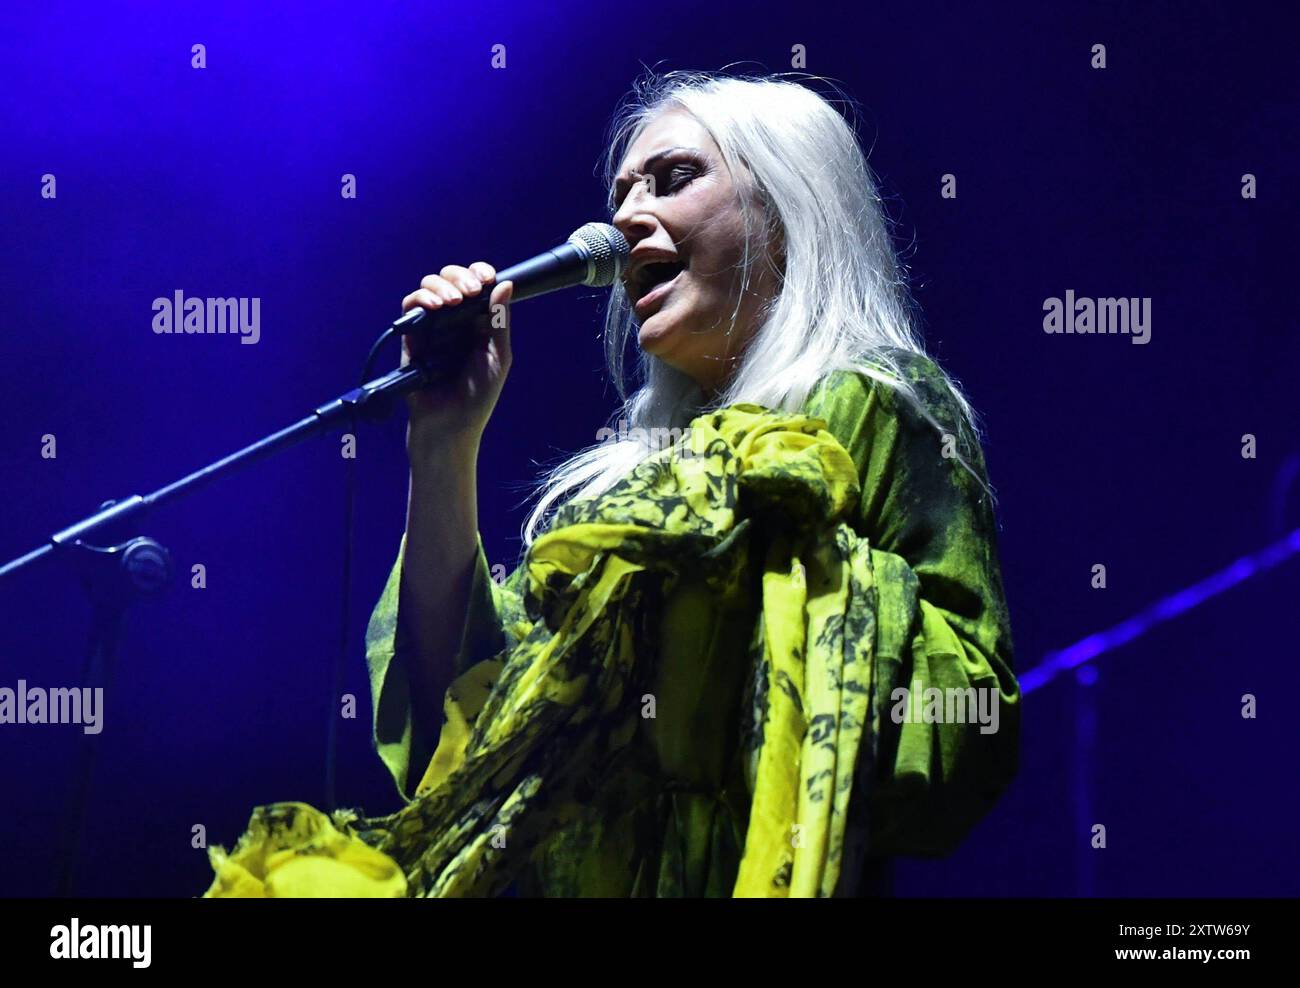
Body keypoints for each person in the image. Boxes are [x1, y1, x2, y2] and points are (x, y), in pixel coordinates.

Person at [204, 70, 1019, 899]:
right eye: (621, 193)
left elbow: (966, 735)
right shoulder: (627, 496)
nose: (625, 219)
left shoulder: (873, 401)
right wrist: (444, 447)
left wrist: (785, 559)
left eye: (673, 180)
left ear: (786, 209)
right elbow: (464, 734)